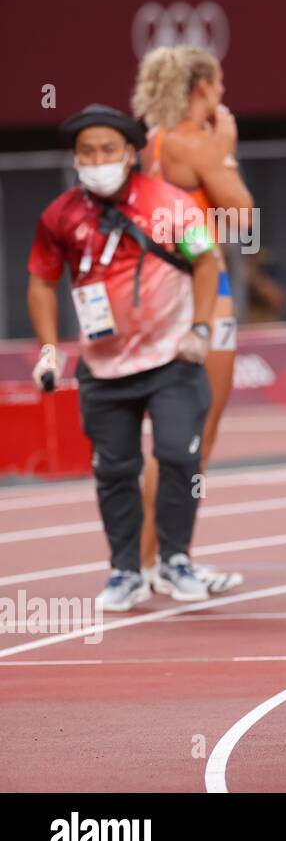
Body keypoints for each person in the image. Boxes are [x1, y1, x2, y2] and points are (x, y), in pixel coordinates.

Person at [28, 104, 219, 611]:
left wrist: (199, 328)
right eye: (86, 152)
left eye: (108, 150)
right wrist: (49, 350)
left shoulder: (171, 204)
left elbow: (206, 261)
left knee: (179, 455)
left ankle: (175, 560)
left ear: (130, 153)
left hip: (171, 359)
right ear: (75, 159)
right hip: (103, 368)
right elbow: (42, 285)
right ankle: (125, 571)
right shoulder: (60, 214)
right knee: (114, 470)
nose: (97, 159)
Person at [132, 45, 251, 594]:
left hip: (160, 290)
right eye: (219, 84)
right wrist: (224, 151)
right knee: (195, 433)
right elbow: (242, 219)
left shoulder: (152, 144)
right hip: (203, 291)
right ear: (199, 87)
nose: (224, 96)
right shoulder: (196, 143)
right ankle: (167, 559)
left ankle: (150, 559)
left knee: (178, 433)